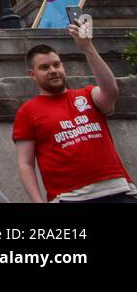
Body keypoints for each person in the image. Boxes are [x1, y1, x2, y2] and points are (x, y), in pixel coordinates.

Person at [13, 21, 136, 203]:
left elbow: (111, 91)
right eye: (45, 67)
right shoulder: (27, 112)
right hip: (69, 198)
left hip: (118, 190)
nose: (53, 71)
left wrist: (87, 47)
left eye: (57, 65)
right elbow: (25, 163)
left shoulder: (87, 94)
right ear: (32, 74)